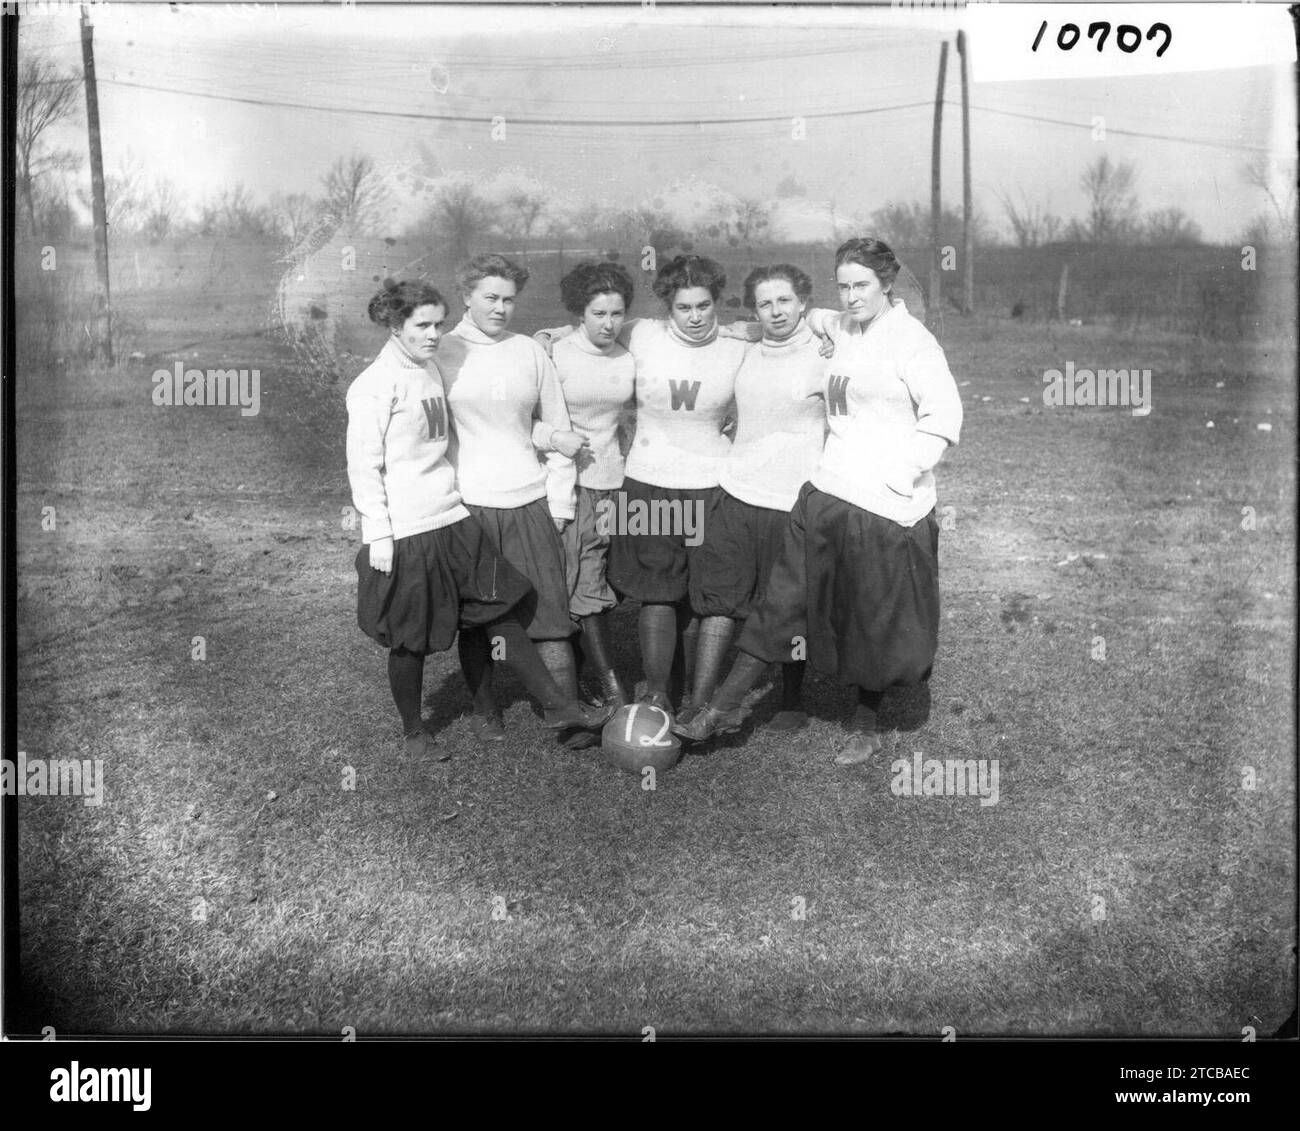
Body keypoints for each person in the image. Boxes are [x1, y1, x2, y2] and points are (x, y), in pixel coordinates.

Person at [674, 237, 964, 765]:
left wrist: (901, 475)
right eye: (845, 285)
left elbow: (943, 419)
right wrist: (743, 326)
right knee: (783, 599)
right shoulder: (839, 325)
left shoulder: (914, 343)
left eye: (863, 286)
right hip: (827, 489)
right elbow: (797, 317)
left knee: (869, 612)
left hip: (885, 504)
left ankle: (866, 723)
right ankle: (723, 707)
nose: (852, 296)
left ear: (887, 285)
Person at [345, 280, 614, 757]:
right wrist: (379, 534)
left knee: (495, 608)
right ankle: (414, 733)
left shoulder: (429, 371)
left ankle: (559, 706)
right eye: (420, 326)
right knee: (412, 637)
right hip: (408, 529)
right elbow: (363, 466)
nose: (432, 335)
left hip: (451, 514)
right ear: (394, 326)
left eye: (438, 324)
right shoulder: (372, 386)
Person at [539, 254, 749, 718]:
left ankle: (698, 698)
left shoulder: (738, 347)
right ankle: (657, 694)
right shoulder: (642, 334)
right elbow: (585, 329)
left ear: (717, 304)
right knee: (659, 589)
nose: (694, 317)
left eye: (704, 306)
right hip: (648, 483)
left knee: (706, 592)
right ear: (666, 309)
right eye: (683, 307)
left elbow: (772, 343)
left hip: (712, 485)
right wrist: (546, 336)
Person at [433, 254, 593, 745]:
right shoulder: (440, 350)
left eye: (508, 299)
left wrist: (561, 504)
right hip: (467, 504)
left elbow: (558, 430)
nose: (501, 308)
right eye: (490, 297)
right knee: (478, 616)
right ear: (466, 296)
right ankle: (486, 712)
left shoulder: (529, 351)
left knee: (548, 608)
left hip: (529, 499)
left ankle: (565, 714)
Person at [686, 264, 827, 731]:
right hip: (737, 490)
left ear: (803, 300)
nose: (776, 311)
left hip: (793, 503)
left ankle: (791, 699)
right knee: (720, 600)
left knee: (783, 606)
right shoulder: (745, 348)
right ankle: (699, 703)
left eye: (784, 300)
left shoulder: (830, 354)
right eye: (765, 303)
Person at [549, 260, 638, 712]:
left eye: (616, 313)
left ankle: (589, 673)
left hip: (616, 482)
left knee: (605, 576)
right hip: (572, 483)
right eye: (598, 313)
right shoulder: (555, 354)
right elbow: (529, 420)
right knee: (581, 576)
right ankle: (607, 684)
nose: (608, 323)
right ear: (579, 313)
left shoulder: (628, 354)